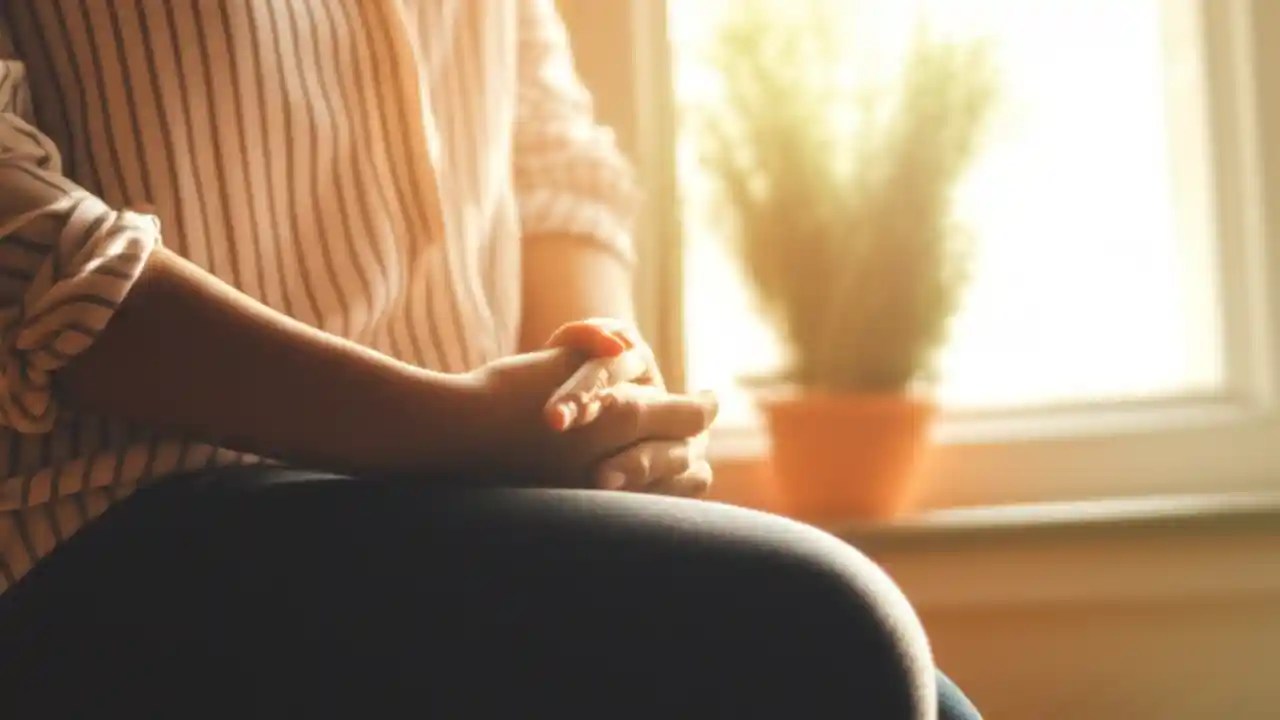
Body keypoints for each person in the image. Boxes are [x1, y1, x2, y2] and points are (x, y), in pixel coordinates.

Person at [0, 1, 978, 717]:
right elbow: (25, 235)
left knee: (923, 697)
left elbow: (550, 155)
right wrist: (451, 423)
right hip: (103, 533)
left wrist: (599, 392)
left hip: (461, 504)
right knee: (813, 636)